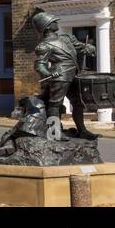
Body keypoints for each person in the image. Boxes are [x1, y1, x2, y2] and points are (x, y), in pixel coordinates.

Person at [32, 11, 96, 139]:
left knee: (78, 103)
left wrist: (88, 48)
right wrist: (49, 73)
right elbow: (39, 65)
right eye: (54, 21)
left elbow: (81, 47)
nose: (57, 23)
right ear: (48, 26)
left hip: (73, 75)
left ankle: (82, 130)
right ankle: (55, 133)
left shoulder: (66, 38)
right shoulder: (44, 46)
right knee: (55, 104)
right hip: (60, 76)